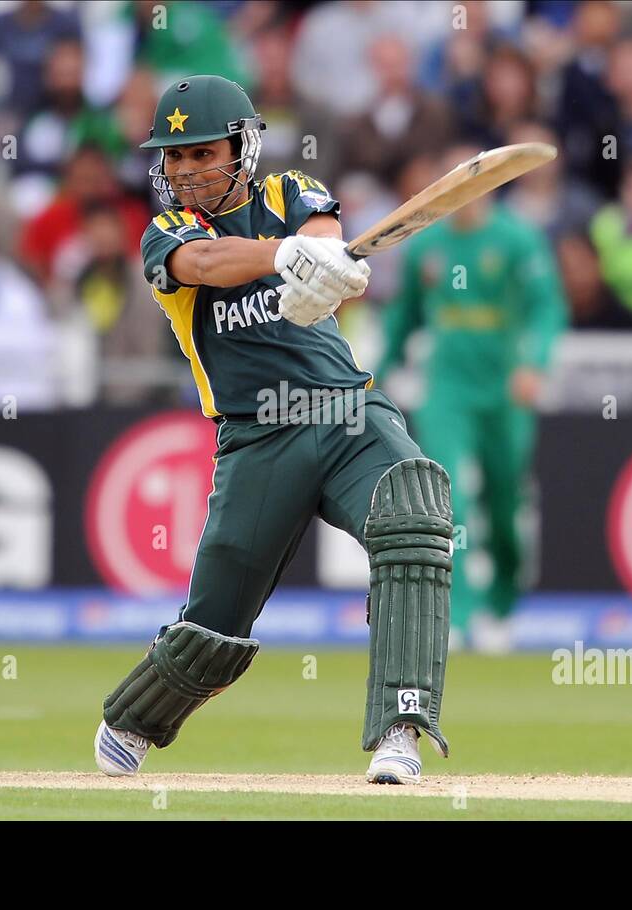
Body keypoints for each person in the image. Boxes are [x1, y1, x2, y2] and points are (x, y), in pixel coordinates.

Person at [95, 75, 454, 786]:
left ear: (242, 146)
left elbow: (322, 235)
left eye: (201, 153)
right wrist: (284, 257)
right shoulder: (167, 233)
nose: (185, 171)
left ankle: (401, 728)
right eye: (172, 158)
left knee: (416, 510)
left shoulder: (290, 192)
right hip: (258, 437)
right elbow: (203, 264)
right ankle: (132, 720)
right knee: (214, 635)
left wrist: (326, 265)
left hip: (346, 411)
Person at [377, 145, 567, 652]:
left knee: (505, 503)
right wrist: (372, 377)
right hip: (447, 391)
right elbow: (403, 319)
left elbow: (547, 308)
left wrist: (535, 363)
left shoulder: (517, 241)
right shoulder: (425, 246)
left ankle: (502, 604)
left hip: (505, 390)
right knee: (448, 499)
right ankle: (458, 617)